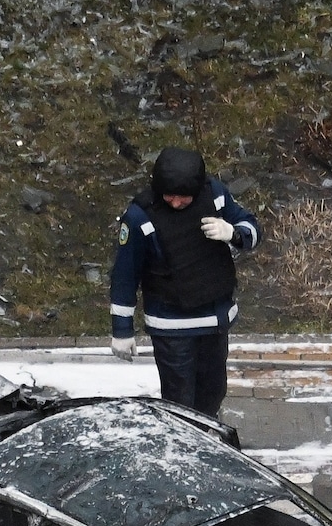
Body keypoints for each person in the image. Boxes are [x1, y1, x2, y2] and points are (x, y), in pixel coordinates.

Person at [108, 145, 260, 419]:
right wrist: (122, 329)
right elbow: (124, 274)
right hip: (171, 328)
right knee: (180, 401)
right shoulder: (140, 216)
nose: (176, 203)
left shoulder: (215, 196)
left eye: (184, 198)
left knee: (213, 393)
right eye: (170, 196)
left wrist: (233, 233)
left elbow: (252, 228)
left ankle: (209, 438)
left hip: (214, 322)